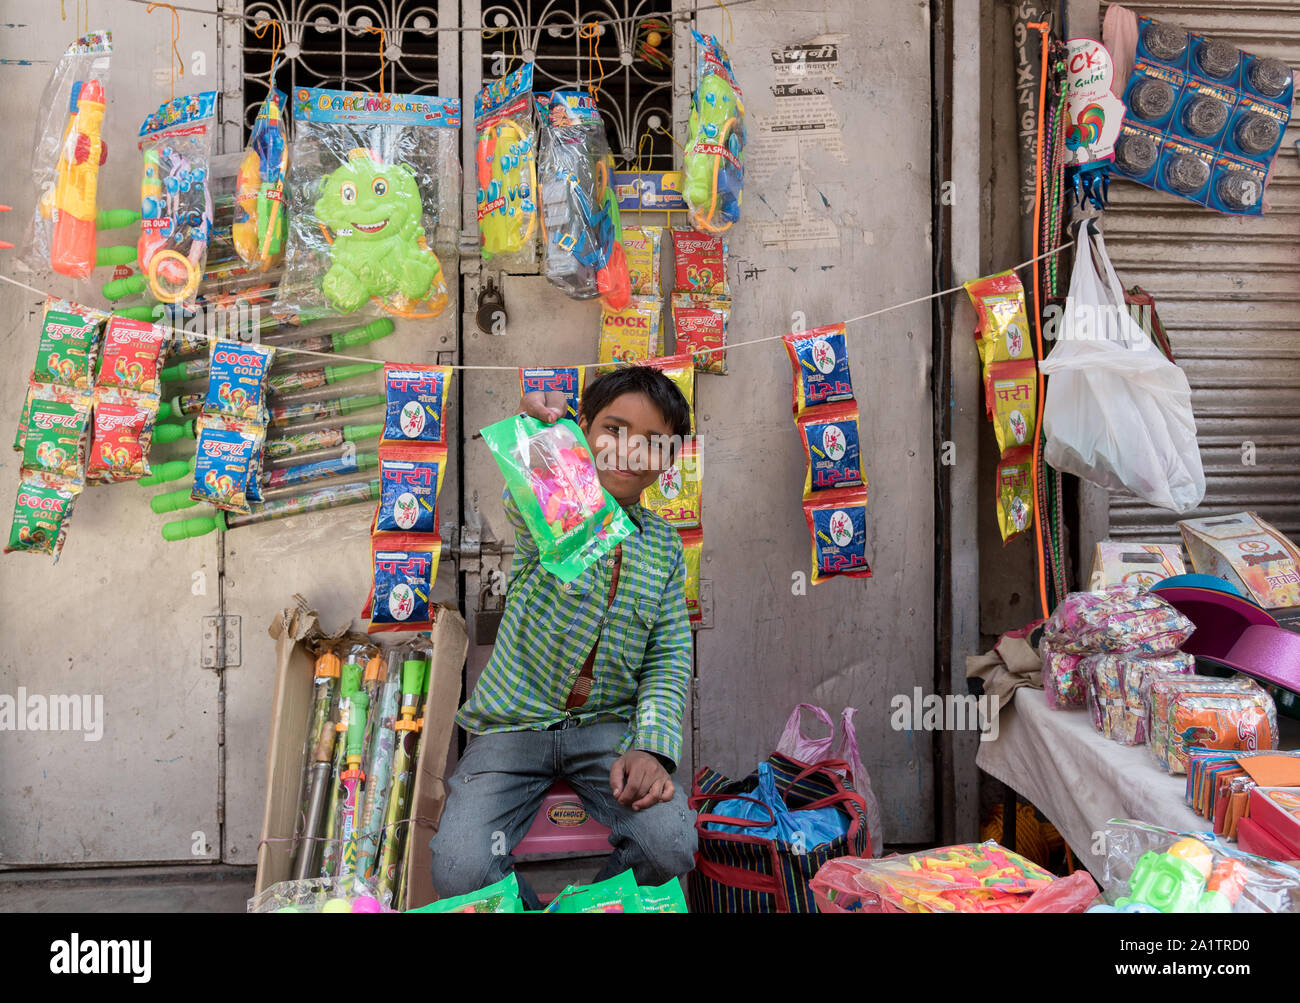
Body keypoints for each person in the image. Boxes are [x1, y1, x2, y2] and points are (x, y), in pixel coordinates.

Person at [430, 365, 698, 908]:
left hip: (608, 732)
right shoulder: (555, 507)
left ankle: (591, 904)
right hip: (513, 726)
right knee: (460, 869)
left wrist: (651, 747)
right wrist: (540, 442)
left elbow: (669, 656)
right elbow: (523, 499)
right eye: (614, 429)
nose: (628, 450)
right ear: (582, 428)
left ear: (669, 460)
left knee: (671, 846)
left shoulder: (665, 547)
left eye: (653, 443)